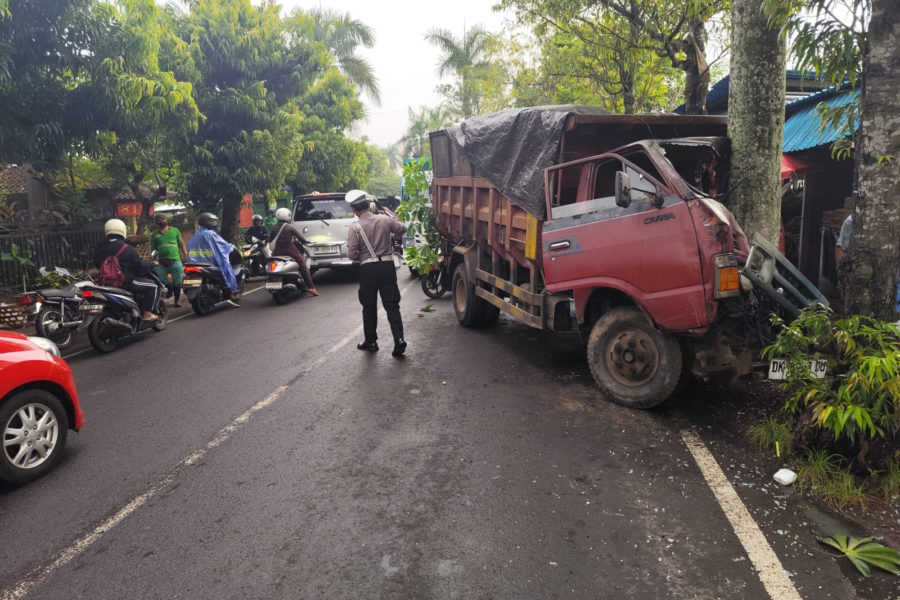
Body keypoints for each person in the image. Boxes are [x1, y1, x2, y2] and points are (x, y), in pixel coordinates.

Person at [346, 189, 407, 356]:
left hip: (367, 270)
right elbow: (402, 229)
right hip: (387, 266)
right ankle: (399, 339)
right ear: (368, 204)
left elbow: (352, 255)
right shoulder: (385, 220)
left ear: (354, 209)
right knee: (392, 305)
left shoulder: (355, 228)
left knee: (369, 306)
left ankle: (371, 342)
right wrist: (392, 216)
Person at [94, 218, 161, 321]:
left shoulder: (99, 248)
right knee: (154, 286)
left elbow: (97, 264)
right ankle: (147, 313)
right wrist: (151, 264)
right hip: (126, 282)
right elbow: (140, 267)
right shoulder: (127, 248)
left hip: (105, 283)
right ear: (122, 230)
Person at [186, 212, 241, 307]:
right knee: (226, 266)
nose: (214, 223)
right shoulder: (210, 234)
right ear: (208, 222)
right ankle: (232, 290)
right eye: (212, 221)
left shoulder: (194, 236)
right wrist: (231, 247)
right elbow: (223, 245)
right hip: (209, 262)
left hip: (194, 263)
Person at [269, 207, 318, 296]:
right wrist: (306, 241)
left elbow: (270, 239)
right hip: (290, 250)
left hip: (277, 252)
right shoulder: (290, 227)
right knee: (304, 267)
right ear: (288, 216)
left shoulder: (274, 228)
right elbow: (301, 239)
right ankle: (311, 287)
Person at [150, 213, 187, 307]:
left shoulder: (174, 231)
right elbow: (153, 249)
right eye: (159, 220)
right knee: (160, 278)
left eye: (163, 219)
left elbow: (181, 243)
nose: (161, 221)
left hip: (175, 261)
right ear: (156, 223)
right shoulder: (154, 235)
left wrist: (185, 254)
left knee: (177, 283)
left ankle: (177, 300)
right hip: (162, 263)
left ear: (166, 220)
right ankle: (169, 288)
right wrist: (154, 260)